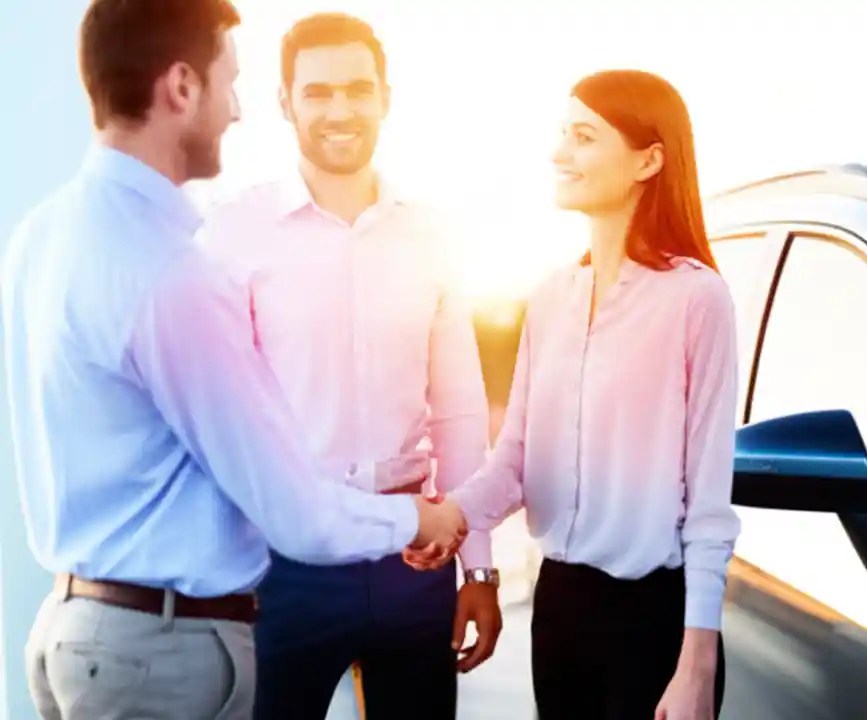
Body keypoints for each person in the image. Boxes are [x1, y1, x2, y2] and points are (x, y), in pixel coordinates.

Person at [3, 2, 465, 718]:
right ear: (182, 88)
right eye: (230, 82)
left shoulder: (42, 234)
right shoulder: (172, 267)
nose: (238, 109)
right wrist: (422, 522)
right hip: (162, 651)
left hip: (76, 628)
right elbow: (295, 513)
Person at [412, 69, 741, 720]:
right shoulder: (551, 296)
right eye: (563, 135)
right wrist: (450, 518)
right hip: (560, 611)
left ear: (649, 159)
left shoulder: (696, 299)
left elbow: (708, 504)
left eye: (584, 137)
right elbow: (516, 462)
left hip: (654, 621)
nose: (560, 154)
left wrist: (696, 662)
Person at [198, 13, 500, 719]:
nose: (340, 111)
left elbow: (457, 411)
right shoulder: (234, 232)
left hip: (411, 558)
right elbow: (210, 412)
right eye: (319, 92)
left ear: (385, 98)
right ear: (285, 103)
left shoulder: (431, 234)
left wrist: (478, 564)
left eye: (358, 90)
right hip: (281, 568)